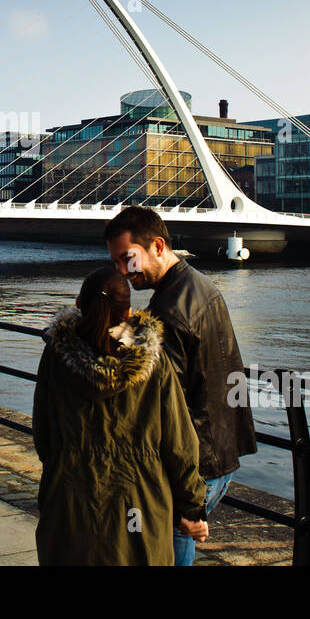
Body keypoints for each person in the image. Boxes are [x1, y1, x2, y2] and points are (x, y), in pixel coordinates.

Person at [104, 205, 258, 566]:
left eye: (128, 259)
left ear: (158, 246)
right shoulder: (200, 285)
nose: (123, 272)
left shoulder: (169, 312)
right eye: (116, 263)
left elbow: (167, 406)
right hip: (222, 448)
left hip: (194, 461)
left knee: (169, 553)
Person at [32, 265, 210, 565]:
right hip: (140, 501)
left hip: (69, 501)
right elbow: (179, 444)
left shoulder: (55, 357)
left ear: (79, 304)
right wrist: (192, 508)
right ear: (129, 311)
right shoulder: (153, 363)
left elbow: (44, 434)